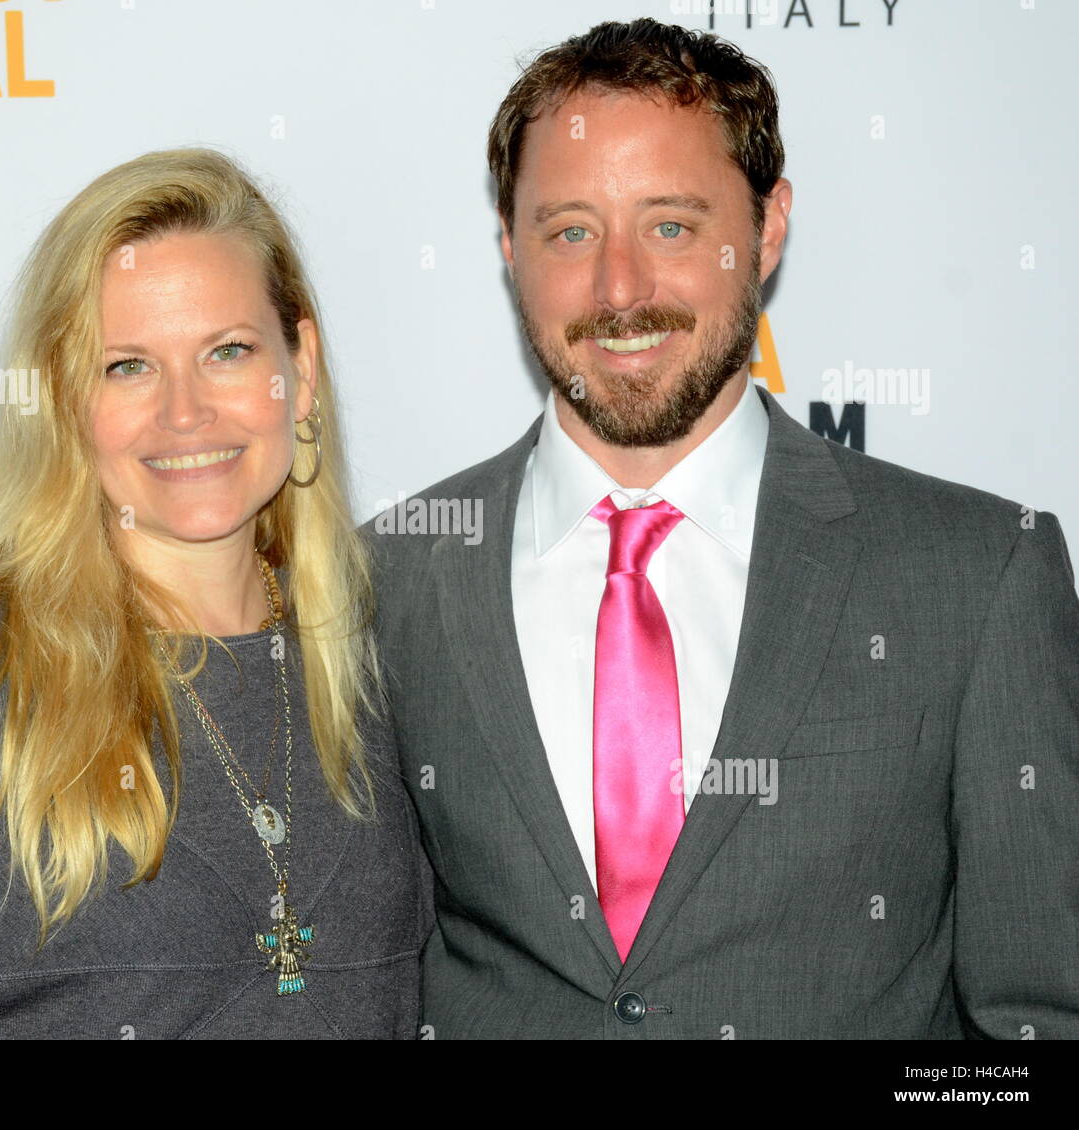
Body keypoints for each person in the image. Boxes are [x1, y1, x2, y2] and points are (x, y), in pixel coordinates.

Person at [365, 18, 1079, 1039]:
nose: (620, 290)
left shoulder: (975, 573)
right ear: (508, 248)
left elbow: (1037, 1019)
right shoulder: (384, 579)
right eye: (570, 229)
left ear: (768, 227)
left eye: (670, 226)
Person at [0, 148, 432, 1039]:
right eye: (127, 366)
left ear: (300, 368)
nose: (186, 413)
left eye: (229, 351)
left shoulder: (388, 667)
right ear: (59, 399)